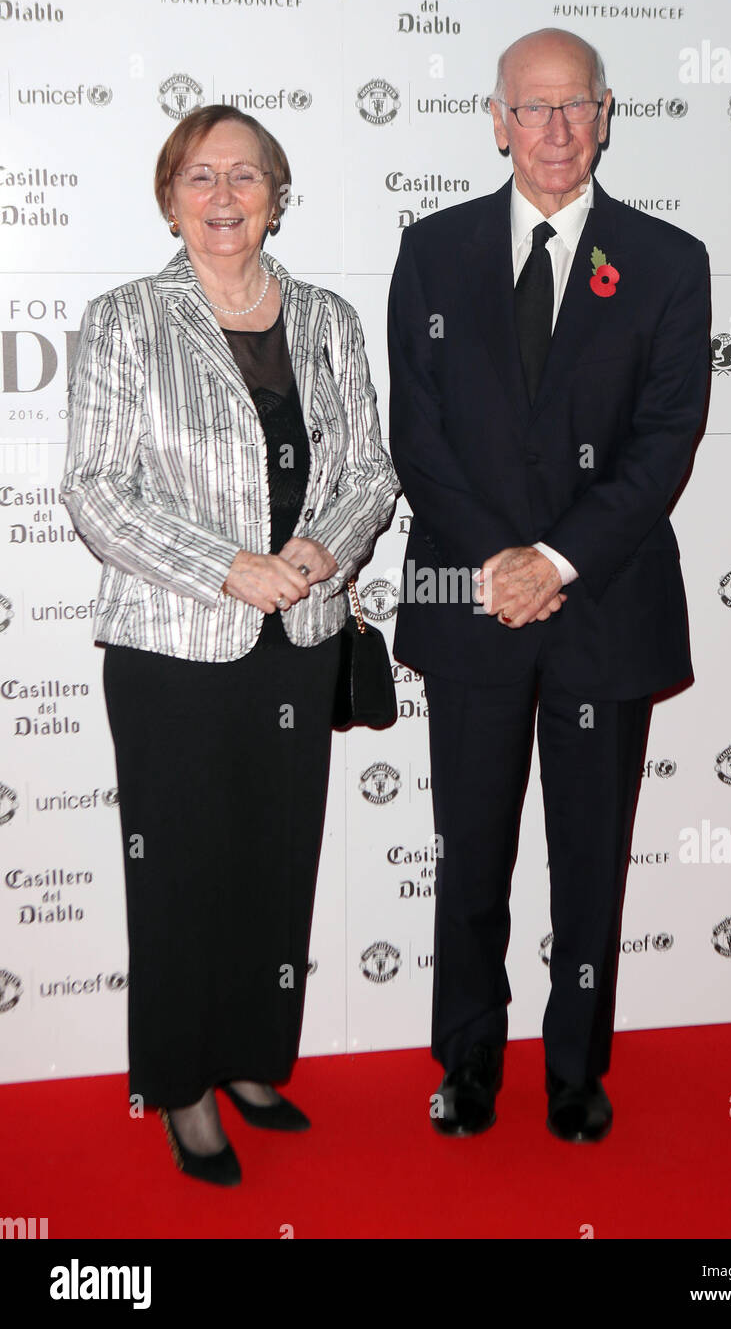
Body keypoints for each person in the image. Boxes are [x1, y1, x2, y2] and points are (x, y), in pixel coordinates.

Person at [62, 105, 398, 1185]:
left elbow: (370, 474)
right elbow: (96, 492)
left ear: (275, 192)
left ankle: (255, 1056)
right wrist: (230, 566)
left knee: (275, 859)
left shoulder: (328, 320)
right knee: (180, 875)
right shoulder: (124, 320)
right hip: (173, 650)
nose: (222, 196)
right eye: (199, 177)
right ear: (170, 197)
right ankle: (180, 1084)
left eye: (243, 175)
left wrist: (317, 552)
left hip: (298, 634)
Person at [387, 29, 710, 1141]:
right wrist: (499, 565)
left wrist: (556, 561)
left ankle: (574, 1067)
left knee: (587, 859)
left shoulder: (667, 263)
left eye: (574, 106)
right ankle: (467, 1057)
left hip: (603, 608)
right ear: (495, 121)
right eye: (532, 108)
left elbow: (663, 441)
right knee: (469, 851)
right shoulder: (431, 253)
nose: (555, 129)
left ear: (607, 114)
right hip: (470, 609)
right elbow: (416, 440)